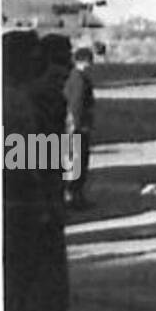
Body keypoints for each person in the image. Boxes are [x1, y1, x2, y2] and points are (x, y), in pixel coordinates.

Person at [3, 31, 70, 311]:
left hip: (14, 206)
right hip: (27, 209)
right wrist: (47, 205)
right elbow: (30, 164)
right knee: (40, 287)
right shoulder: (20, 104)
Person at [62, 47, 96, 210]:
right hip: (78, 127)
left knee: (73, 161)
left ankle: (73, 195)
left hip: (73, 126)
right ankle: (74, 197)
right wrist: (78, 125)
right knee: (78, 161)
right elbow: (77, 104)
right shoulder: (80, 80)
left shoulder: (72, 77)